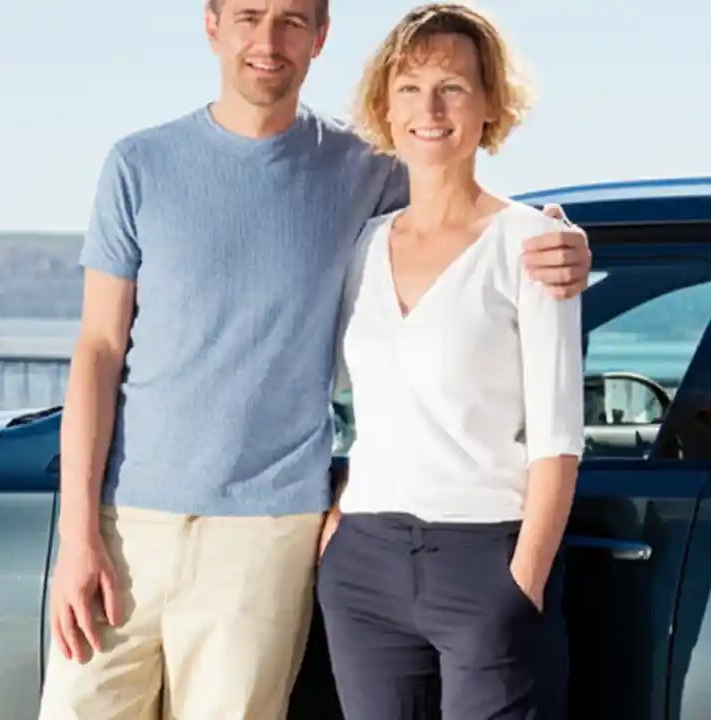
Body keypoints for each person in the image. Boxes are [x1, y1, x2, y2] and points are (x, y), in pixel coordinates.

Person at [38, 1, 591, 718]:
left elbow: (460, 210)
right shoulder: (139, 165)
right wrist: (78, 534)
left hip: (267, 538)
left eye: (293, 20)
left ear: (321, 36)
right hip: (127, 527)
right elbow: (99, 349)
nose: (269, 40)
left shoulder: (362, 172)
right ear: (211, 25)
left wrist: (567, 241)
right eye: (248, 16)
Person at [316, 4, 582, 719]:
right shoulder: (363, 248)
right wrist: (337, 527)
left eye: (453, 88)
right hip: (364, 564)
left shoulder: (531, 244)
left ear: (489, 102)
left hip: (486, 557)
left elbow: (560, 439)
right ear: (385, 104)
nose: (428, 109)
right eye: (409, 88)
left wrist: (523, 579)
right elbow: (352, 404)